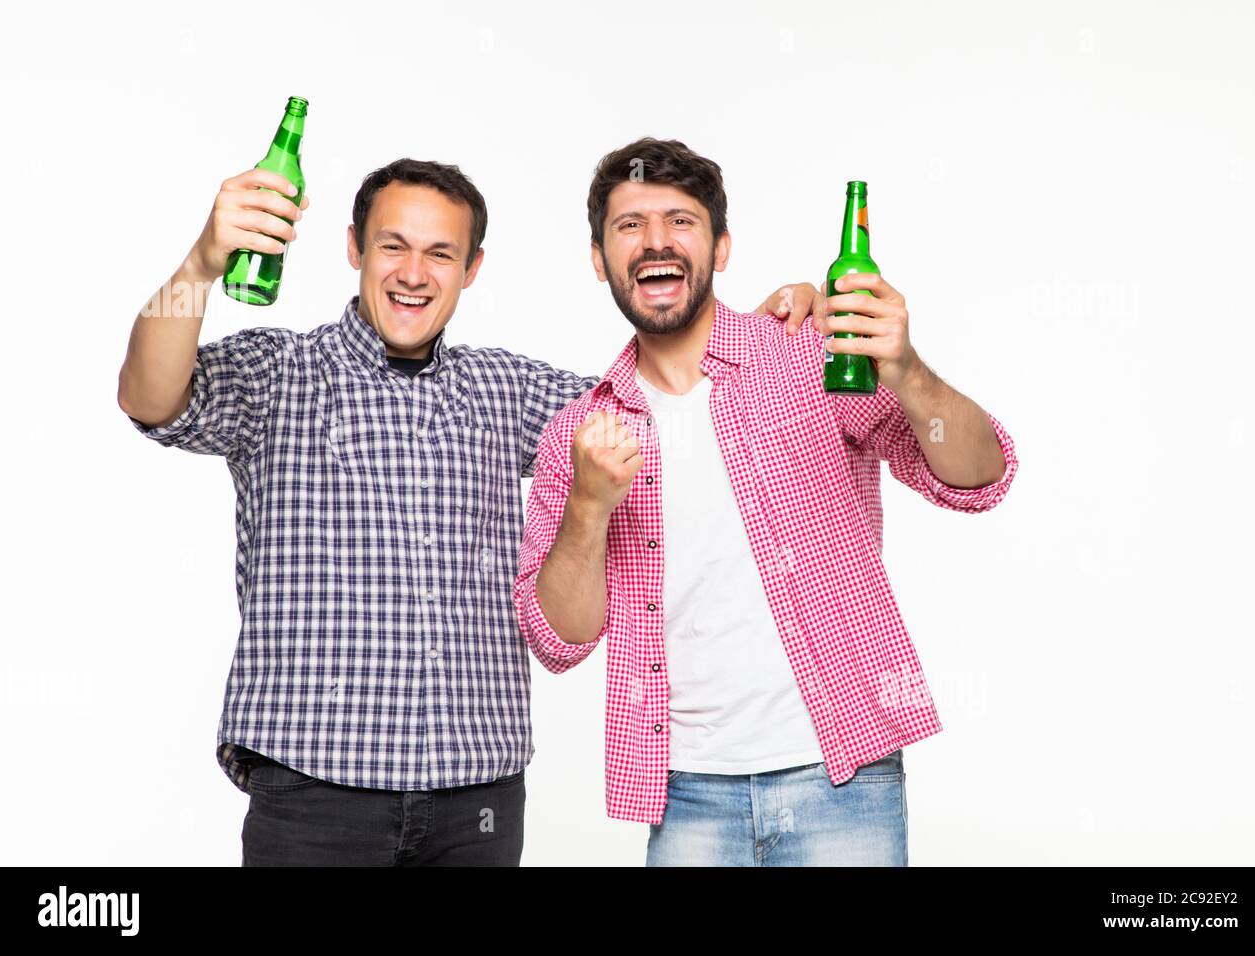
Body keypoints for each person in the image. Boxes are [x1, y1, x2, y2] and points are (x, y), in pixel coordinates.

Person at [117, 156, 812, 866]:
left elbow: (653, 409)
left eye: (440, 253)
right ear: (354, 247)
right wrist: (205, 261)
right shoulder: (281, 372)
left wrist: (748, 337)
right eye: (394, 246)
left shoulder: (502, 388)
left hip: (475, 795)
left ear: (471, 267)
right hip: (313, 790)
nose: (414, 273)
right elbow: (150, 396)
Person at [514, 138, 1020, 866]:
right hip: (686, 793)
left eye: (680, 222)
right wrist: (590, 506)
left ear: (721, 248)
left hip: (842, 775)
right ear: (599, 260)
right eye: (630, 226)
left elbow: (982, 479)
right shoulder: (580, 431)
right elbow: (557, 641)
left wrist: (906, 368)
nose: (656, 241)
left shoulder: (810, 354)